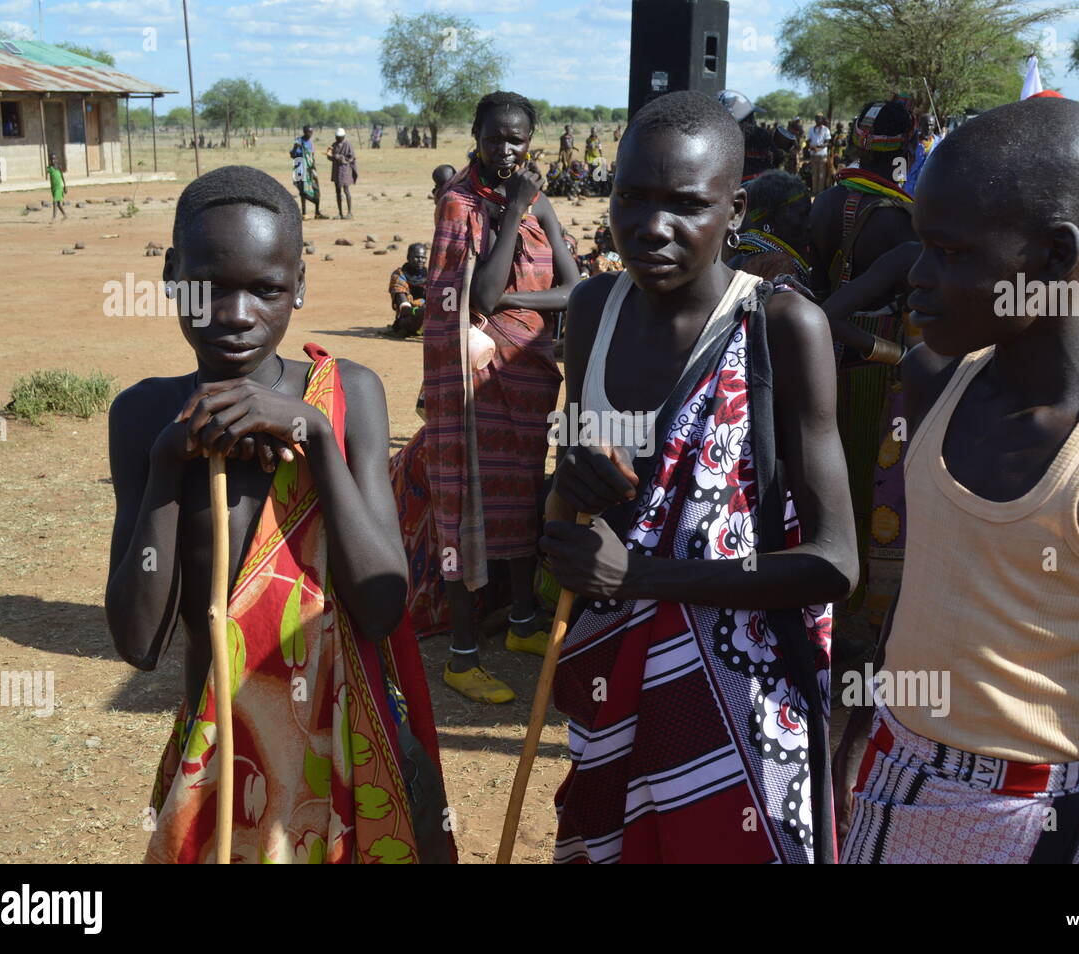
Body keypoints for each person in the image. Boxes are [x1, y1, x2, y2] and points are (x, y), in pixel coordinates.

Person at [837, 97, 1079, 864]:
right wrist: (860, 742)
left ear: (1054, 257)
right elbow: (932, 596)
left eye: (948, 253)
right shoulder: (930, 383)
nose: (915, 278)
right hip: (894, 784)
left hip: (1045, 817)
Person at [542, 90, 858, 864]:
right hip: (615, 682)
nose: (652, 229)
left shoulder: (783, 328)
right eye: (631, 199)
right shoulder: (592, 309)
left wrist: (643, 575)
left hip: (746, 703)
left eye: (686, 205)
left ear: (736, 208)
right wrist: (571, 483)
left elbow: (834, 563)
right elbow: (569, 510)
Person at [104, 165, 450, 864]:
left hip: (348, 750)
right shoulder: (144, 415)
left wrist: (314, 437)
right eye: (210, 285)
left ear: (299, 283)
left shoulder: (346, 394)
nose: (235, 314)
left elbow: (382, 606)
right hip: (225, 761)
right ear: (172, 273)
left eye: (265, 289)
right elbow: (139, 643)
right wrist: (170, 464)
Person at [394, 91, 580, 703]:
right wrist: (515, 212)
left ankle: (524, 622)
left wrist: (517, 301)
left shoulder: (538, 204)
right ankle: (463, 654)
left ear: (531, 139)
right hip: (473, 387)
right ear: (475, 134)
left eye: (518, 138)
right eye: (495, 137)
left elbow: (575, 289)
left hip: (528, 381)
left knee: (523, 498)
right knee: (466, 504)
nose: (507, 149)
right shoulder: (460, 204)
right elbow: (475, 299)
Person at [809, 98, 919, 620]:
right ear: (910, 146)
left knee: (830, 477)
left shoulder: (825, 203)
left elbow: (818, 292)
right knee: (870, 484)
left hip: (820, 355)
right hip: (878, 363)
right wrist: (893, 351)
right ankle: (856, 615)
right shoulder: (901, 220)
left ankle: (827, 604)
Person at [728, 169, 811, 282]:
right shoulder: (778, 264)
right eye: (803, 214)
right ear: (774, 219)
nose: (809, 225)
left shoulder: (738, 257)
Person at [387, 242, 428, 337]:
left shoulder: (429, 274)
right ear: (408, 257)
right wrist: (421, 310)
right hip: (407, 319)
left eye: (423, 257)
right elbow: (404, 308)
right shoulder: (399, 275)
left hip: (427, 317)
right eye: (417, 257)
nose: (420, 260)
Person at [290, 125, 327, 220]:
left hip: (310, 168)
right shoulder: (299, 141)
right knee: (303, 191)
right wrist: (295, 147)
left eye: (311, 132)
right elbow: (293, 155)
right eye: (309, 132)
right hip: (300, 167)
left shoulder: (310, 143)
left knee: (316, 189)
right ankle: (304, 213)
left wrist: (314, 169)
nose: (310, 134)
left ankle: (317, 212)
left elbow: (312, 156)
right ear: (304, 132)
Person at [903, 113, 941, 197]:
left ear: (934, 126)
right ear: (920, 125)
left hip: (925, 191)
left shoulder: (939, 144)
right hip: (906, 189)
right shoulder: (911, 142)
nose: (928, 128)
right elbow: (901, 162)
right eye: (925, 125)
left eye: (931, 125)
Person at [326, 127, 357, 220]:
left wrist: (339, 157)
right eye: (337, 137)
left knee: (346, 190)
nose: (338, 139)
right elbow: (331, 158)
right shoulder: (334, 145)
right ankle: (340, 213)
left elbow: (351, 158)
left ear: (344, 137)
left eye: (340, 137)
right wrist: (329, 155)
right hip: (336, 169)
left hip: (344, 169)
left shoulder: (348, 145)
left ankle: (349, 213)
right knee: (338, 191)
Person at [806, 115, 832, 194]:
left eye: (819, 119)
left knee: (821, 174)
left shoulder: (826, 129)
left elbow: (827, 142)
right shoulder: (811, 129)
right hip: (813, 154)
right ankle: (814, 191)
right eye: (816, 119)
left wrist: (819, 148)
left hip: (822, 154)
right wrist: (811, 146)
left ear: (822, 120)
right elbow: (808, 140)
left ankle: (820, 192)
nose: (818, 120)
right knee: (814, 174)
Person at [46, 153, 67, 221]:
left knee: (55, 201)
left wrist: (65, 186)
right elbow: (46, 172)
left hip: (59, 187)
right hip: (53, 188)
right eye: (51, 159)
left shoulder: (59, 167)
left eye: (54, 159)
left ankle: (54, 217)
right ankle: (65, 215)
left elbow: (62, 177)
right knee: (58, 204)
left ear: (56, 159)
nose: (53, 160)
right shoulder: (49, 168)